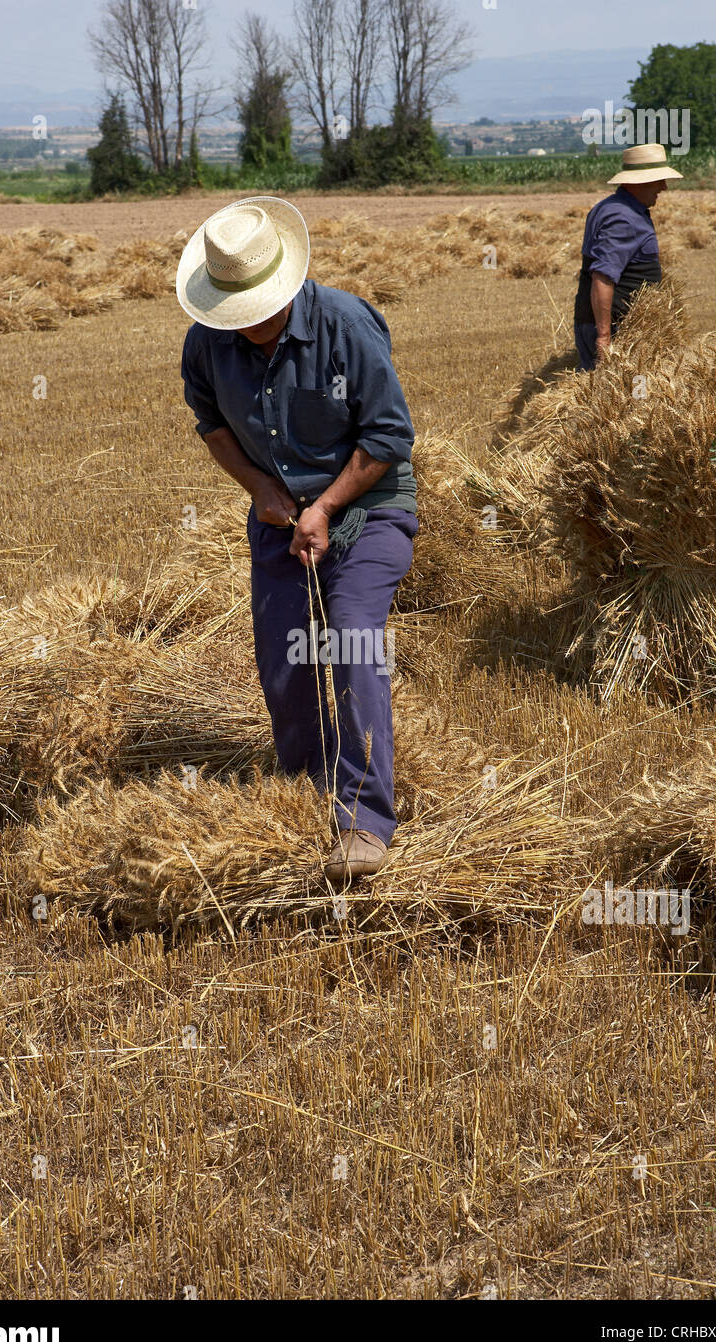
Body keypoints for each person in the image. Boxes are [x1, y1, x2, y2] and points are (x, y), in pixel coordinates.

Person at [177, 197, 417, 884]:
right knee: (284, 662)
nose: (247, 325)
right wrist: (260, 489)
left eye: (258, 308)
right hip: (279, 513)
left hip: (366, 506)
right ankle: (309, 790)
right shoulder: (206, 343)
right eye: (235, 311)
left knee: (351, 635)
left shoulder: (345, 325)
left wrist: (329, 504)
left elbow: (390, 436)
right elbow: (211, 424)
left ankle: (365, 821)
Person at [574, 143, 683, 371]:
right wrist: (604, 338)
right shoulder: (623, 219)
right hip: (619, 330)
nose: (664, 187)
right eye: (658, 180)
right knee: (621, 398)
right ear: (639, 181)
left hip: (614, 326)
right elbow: (603, 276)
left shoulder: (610, 206)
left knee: (617, 400)